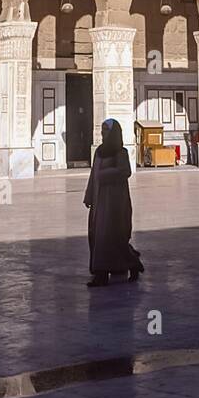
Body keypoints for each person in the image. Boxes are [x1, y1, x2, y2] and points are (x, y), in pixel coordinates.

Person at [83, 118, 144, 286]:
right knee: (99, 237)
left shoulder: (120, 152)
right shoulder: (100, 151)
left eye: (105, 131)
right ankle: (101, 273)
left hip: (115, 202)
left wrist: (105, 174)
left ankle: (132, 264)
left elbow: (125, 171)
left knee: (114, 238)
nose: (102, 134)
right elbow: (93, 174)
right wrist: (89, 195)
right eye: (102, 131)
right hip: (99, 201)